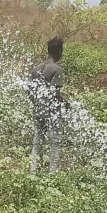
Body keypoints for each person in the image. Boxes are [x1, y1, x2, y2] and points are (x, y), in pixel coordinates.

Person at [27, 37, 67, 174]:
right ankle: (52, 172)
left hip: (39, 110)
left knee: (38, 140)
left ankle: (33, 171)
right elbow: (55, 93)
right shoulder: (57, 70)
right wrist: (66, 103)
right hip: (52, 112)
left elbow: (30, 92)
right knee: (54, 142)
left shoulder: (35, 69)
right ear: (58, 51)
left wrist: (37, 105)